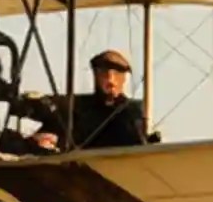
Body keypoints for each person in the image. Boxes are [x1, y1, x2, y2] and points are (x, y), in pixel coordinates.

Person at [28, 49, 157, 152]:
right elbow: (55, 115)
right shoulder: (79, 107)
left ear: (124, 79)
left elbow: (135, 145)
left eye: (117, 73)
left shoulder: (130, 111)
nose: (110, 79)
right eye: (104, 73)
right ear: (96, 76)